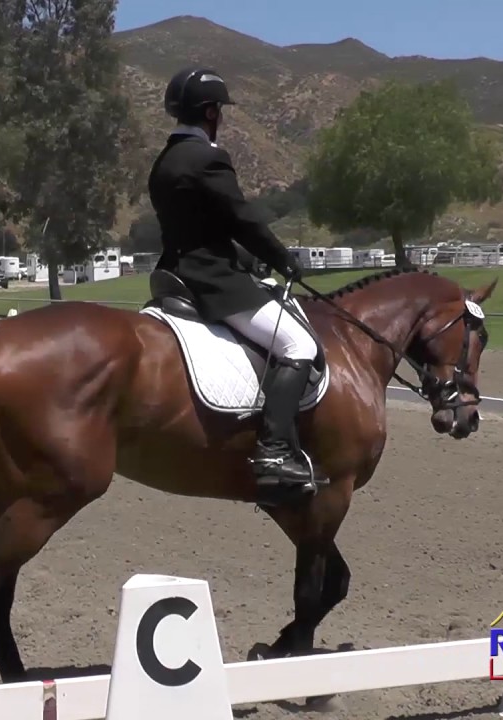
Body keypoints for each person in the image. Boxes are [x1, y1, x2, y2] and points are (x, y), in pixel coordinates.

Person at [147, 66, 319, 505]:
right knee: (298, 345)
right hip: (213, 282)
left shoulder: (164, 161)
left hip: (175, 272)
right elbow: (241, 218)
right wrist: (283, 260)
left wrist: (245, 258)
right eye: (219, 110)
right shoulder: (208, 158)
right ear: (210, 112)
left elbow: (200, 228)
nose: (221, 117)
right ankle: (274, 451)